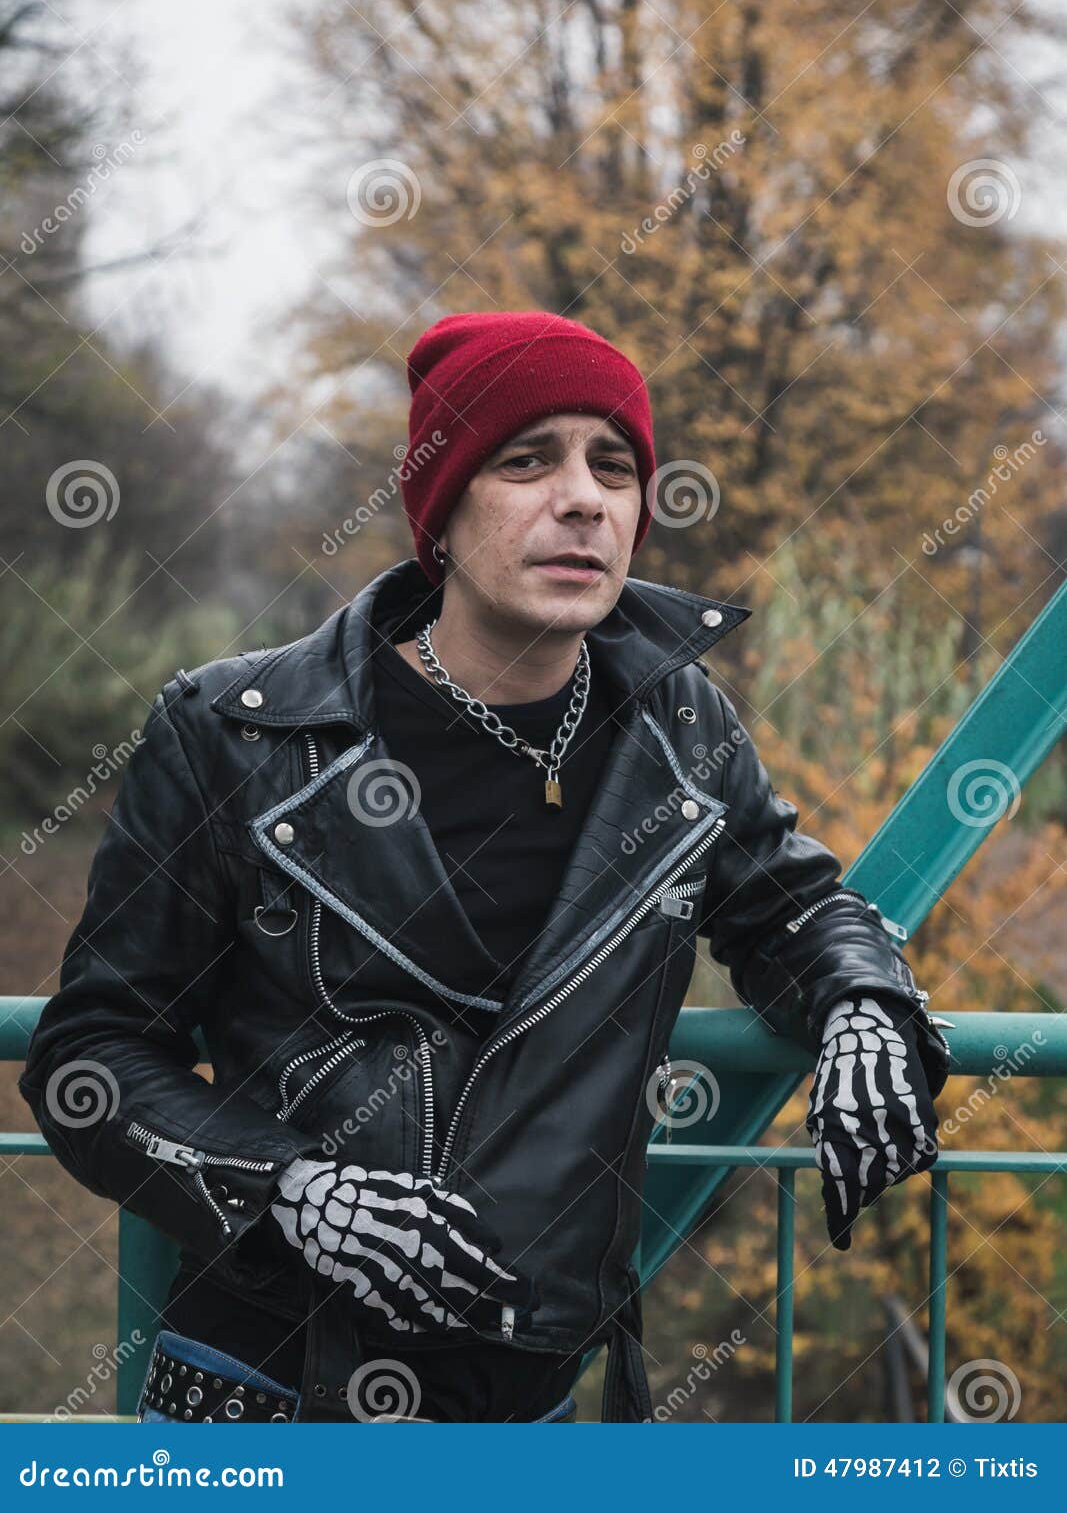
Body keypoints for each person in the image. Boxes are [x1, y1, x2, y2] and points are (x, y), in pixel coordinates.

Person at [19, 310, 951, 1423]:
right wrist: (295, 1189)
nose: (582, 499)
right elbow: (94, 1054)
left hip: (532, 1400)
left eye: (615, 466)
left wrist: (860, 1004)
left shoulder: (675, 727)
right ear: (442, 513)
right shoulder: (238, 733)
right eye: (525, 461)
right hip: (273, 1385)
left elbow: (792, 906)